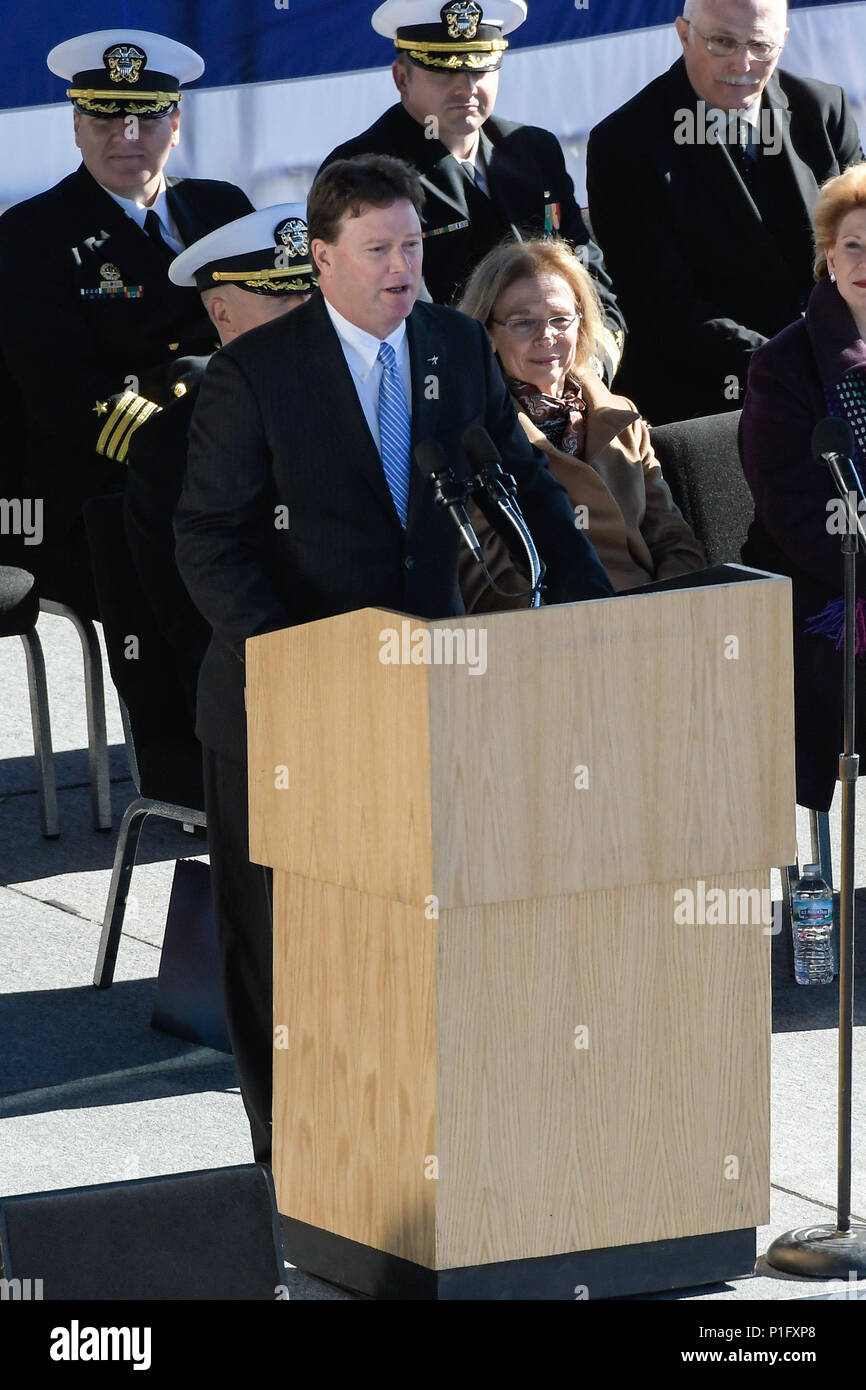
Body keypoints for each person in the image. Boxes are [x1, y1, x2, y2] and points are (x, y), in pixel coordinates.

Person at [174, 154, 613, 1162]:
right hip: (284, 706)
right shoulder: (254, 375)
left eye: (411, 246)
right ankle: (291, 1169)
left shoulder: (455, 348)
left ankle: (402, 1156)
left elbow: (524, 490)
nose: (399, 268)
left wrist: (591, 613)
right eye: (376, 250)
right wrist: (306, 666)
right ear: (321, 259)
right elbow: (209, 539)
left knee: (407, 941)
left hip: (421, 693)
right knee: (287, 953)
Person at [0, 29, 252, 617]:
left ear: (176, 123)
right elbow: (63, 395)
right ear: (76, 126)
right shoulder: (28, 237)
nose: (127, 137)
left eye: (144, 117)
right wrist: (196, 451)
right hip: (105, 491)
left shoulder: (224, 210)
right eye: (106, 118)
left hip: (230, 472)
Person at [319, 0, 626, 384]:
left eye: (481, 69)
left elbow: (585, 271)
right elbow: (401, 316)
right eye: (445, 71)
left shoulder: (533, 148)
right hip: (450, 398)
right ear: (401, 78)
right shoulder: (362, 172)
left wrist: (591, 367)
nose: (466, 87)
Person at [587, 0, 863, 425]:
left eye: (761, 46)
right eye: (722, 42)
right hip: (712, 407)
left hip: (839, 373)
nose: (742, 63)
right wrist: (794, 365)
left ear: (783, 41)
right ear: (683, 33)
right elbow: (664, 309)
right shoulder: (625, 144)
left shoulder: (823, 111)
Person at [120, 204, 316, 721]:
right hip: (263, 691)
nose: (307, 315)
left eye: (314, 293)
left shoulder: (375, 394)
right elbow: (194, 620)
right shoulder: (172, 445)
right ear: (222, 316)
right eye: (282, 298)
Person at [457, 237, 706, 606]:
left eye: (560, 319)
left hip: (651, 619)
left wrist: (664, 613)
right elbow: (490, 580)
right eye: (523, 322)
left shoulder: (620, 416)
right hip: (548, 635)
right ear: (488, 333)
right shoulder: (468, 434)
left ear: (582, 323)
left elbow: (674, 542)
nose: (546, 336)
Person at [740, 161, 866, 813]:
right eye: (854, 245)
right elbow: (797, 517)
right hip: (823, 588)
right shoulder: (782, 365)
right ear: (828, 255)